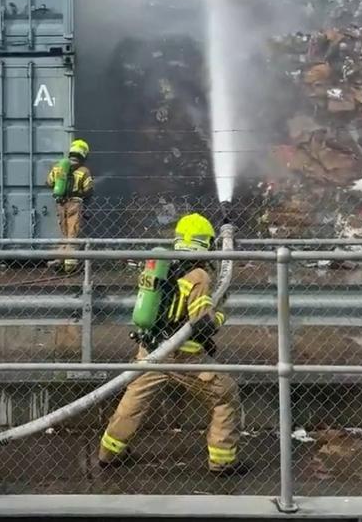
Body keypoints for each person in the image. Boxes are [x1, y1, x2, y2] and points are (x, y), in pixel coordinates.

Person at [97, 213, 246, 476]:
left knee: (134, 401)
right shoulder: (198, 275)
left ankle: (108, 454)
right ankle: (222, 462)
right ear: (205, 243)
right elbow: (202, 325)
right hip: (184, 358)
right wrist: (221, 315)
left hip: (150, 350)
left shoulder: (162, 265)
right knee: (226, 396)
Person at [45, 139, 94, 273]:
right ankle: (70, 265)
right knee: (73, 233)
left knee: (64, 233)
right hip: (75, 204)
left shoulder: (58, 167)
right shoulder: (84, 171)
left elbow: (49, 182)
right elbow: (88, 189)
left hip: (61, 204)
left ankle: (59, 259)